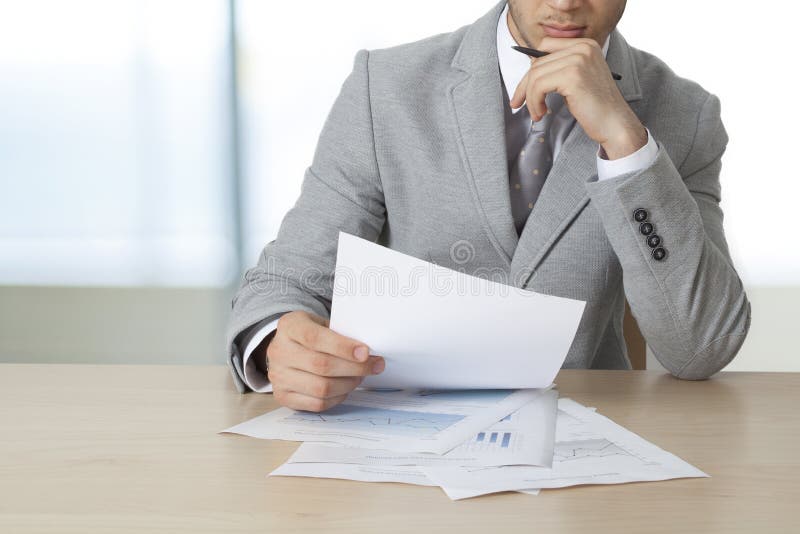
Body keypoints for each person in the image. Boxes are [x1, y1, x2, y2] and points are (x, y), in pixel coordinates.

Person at [226, 0, 751, 411]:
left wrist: (626, 143)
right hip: (399, 435)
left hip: (589, 440)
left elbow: (701, 346)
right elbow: (285, 282)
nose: (565, 4)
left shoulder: (687, 114)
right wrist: (277, 345)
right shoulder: (384, 86)